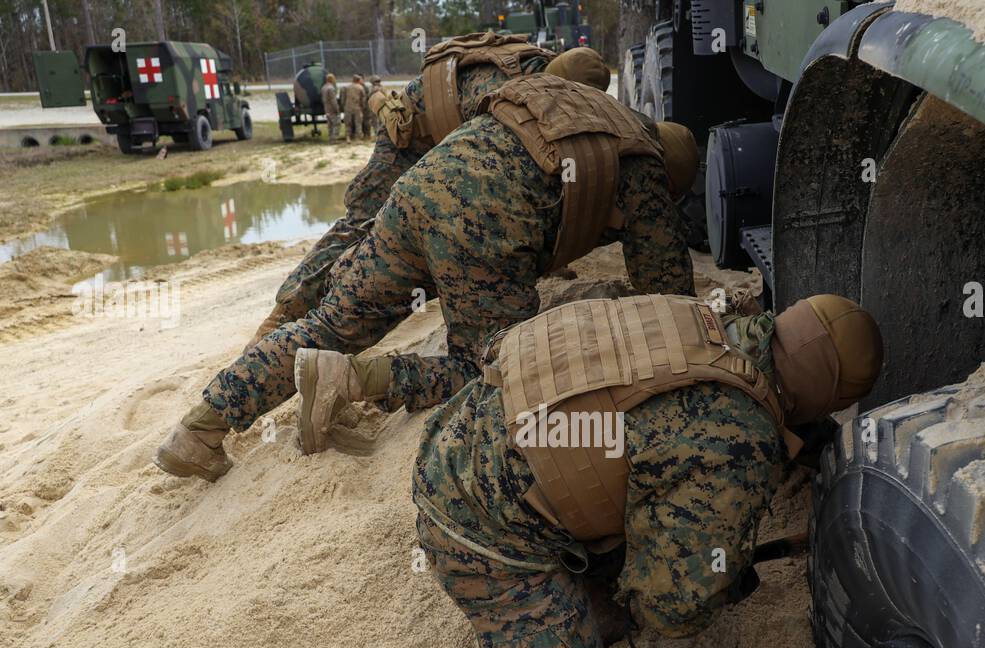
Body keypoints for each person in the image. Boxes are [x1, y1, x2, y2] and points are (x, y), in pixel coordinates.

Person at [257, 292, 885, 648]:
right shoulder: (738, 439)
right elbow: (672, 608)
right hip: (483, 542)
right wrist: (729, 566)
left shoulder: (697, 321)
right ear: (823, 400)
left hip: (455, 442)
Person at [154, 74, 700, 482]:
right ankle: (353, 380)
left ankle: (202, 426)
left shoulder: (572, 98)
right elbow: (670, 302)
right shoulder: (645, 163)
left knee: (331, 322)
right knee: (487, 366)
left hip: (419, 188)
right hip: (479, 224)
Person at [256, 35, 612, 339]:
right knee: (362, 221)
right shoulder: (507, 91)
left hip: (448, 140)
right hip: (409, 135)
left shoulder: (547, 82)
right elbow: (482, 174)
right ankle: (287, 311)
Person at [342, 74, 368, 141]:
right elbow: (363, 99)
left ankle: (348, 137)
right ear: (358, 80)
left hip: (348, 108)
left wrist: (344, 106)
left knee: (348, 123)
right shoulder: (360, 88)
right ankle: (358, 138)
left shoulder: (347, 87)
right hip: (357, 108)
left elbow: (343, 98)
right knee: (358, 123)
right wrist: (363, 107)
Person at [320, 72, 340, 141]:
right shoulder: (331, 88)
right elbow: (333, 101)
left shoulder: (323, 87)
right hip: (332, 109)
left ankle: (330, 138)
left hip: (327, 109)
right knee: (336, 124)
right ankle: (334, 138)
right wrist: (337, 109)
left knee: (330, 125)